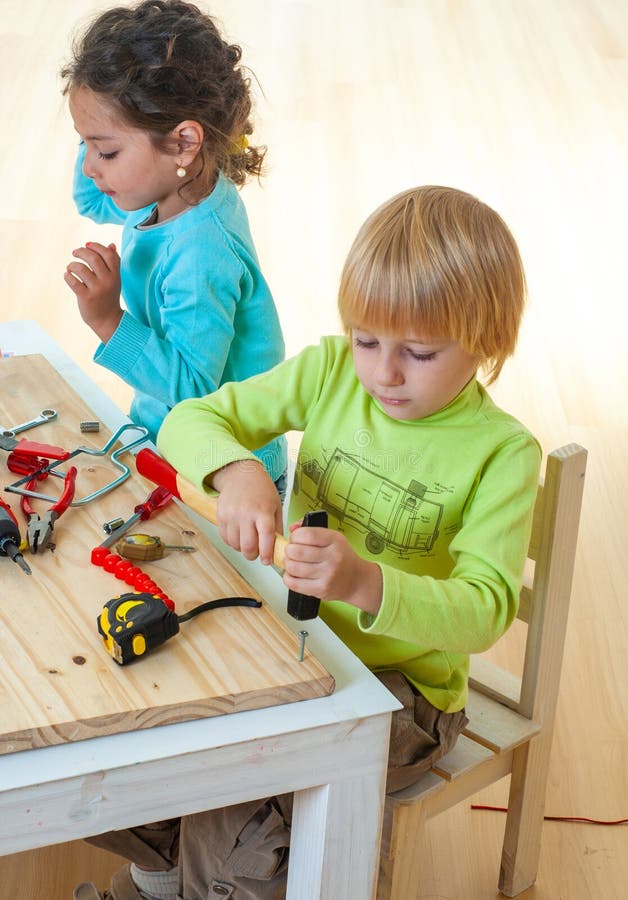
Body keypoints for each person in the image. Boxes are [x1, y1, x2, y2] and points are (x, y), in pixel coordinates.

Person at [111, 184, 541, 900]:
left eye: (421, 352)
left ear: (487, 338)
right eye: (368, 340)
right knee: (142, 733)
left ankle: (194, 879)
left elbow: (486, 609)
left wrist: (366, 584)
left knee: (243, 802)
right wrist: (241, 470)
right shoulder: (329, 370)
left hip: (410, 697)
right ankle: (167, 876)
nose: (384, 372)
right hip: (294, 648)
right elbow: (190, 419)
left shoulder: (502, 453)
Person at [60, 0, 286, 495]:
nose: (91, 169)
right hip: (171, 436)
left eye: (106, 151)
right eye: (85, 146)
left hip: (226, 469)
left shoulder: (201, 252)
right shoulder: (175, 183)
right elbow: (91, 199)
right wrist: (97, 134)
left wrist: (106, 320)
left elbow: (193, 388)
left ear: (184, 142)